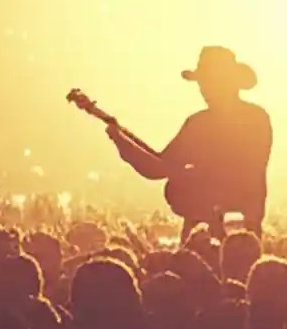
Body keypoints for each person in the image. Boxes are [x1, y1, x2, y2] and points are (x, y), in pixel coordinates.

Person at [107, 46, 272, 240]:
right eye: (202, 82)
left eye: (209, 82)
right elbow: (159, 166)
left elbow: (158, 167)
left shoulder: (205, 124)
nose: (203, 88)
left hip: (219, 230)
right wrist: (122, 140)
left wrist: (122, 142)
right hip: (235, 232)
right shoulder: (254, 118)